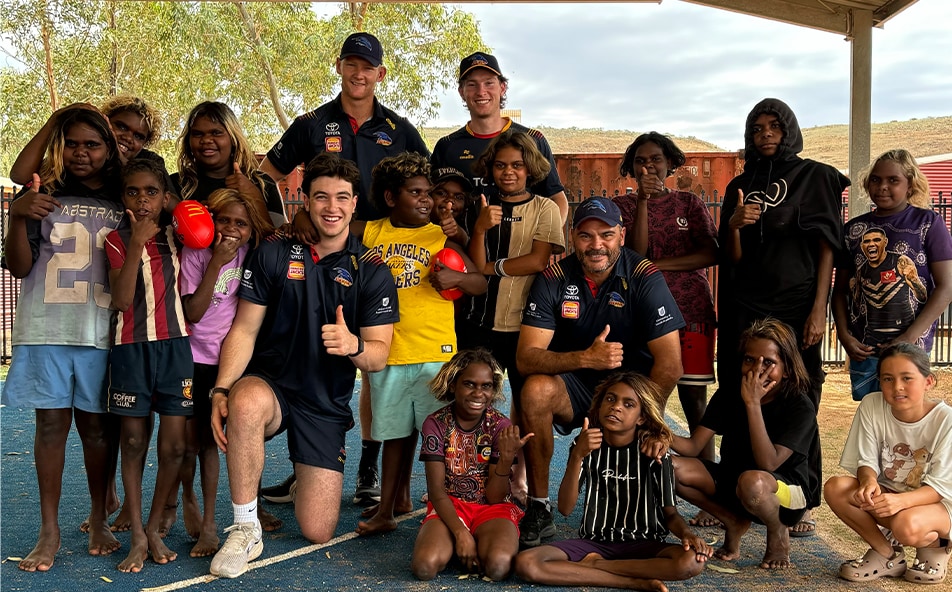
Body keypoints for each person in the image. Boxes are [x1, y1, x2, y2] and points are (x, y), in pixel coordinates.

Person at [207, 153, 398, 578]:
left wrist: (352, 345)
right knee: (245, 402)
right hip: (271, 383)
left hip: (323, 400)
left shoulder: (372, 269)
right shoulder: (275, 251)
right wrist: (221, 388)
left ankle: (304, 473)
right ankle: (245, 528)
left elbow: (379, 356)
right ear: (306, 201)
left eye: (342, 197)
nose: (332, 207)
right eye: (322, 196)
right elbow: (244, 330)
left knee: (317, 530)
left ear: (354, 204)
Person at [260, 33, 429, 503]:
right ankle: (306, 468)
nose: (359, 73)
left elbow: (426, 186)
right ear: (338, 66)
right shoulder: (311, 123)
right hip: (321, 252)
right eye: (351, 63)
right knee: (312, 354)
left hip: (378, 256)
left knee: (376, 362)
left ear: (380, 74)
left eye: (367, 66)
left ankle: (368, 468)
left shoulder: (399, 129)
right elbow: (264, 175)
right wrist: (287, 218)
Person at [516, 196, 684, 547]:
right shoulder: (554, 277)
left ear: (621, 235)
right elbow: (526, 359)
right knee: (535, 390)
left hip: (629, 393)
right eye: (586, 236)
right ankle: (539, 505)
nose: (596, 245)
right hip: (576, 387)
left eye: (606, 234)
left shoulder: (644, 276)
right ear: (572, 237)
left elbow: (671, 364)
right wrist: (586, 358)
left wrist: (649, 420)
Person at [718, 97, 849, 537]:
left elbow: (828, 247)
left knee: (800, 394)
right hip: (746, 306)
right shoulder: (741, 184)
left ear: (789, 129)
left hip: (796, 305)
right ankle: (735, 493)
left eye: (774, 126)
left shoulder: (815, 177)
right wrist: (734, 225)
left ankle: (800, 498)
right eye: (757, 128)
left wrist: (818, 309)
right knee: (741, 389)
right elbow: (731, 259)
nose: (766, 134)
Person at [1, 107, 124, 571]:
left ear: (109, 149)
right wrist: (16, 217)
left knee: (97, 429)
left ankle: (99, 517)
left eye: (92, 144)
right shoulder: (42, 190)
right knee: (51, 426)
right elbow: (19, 267)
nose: (80, 152)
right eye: (72, 143)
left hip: (101, 330)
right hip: (46, 328)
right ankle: (48, 529)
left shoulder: (122, 194)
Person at [354, 152, 487, 537]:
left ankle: (447, 507)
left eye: (429, 192)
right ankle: (390, 506)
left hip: (435, 354)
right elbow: (329, 224)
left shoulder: (439, 235)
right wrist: (299, 220)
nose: (427, 200)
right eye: (416, 193)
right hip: (390, 353)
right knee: (395, 435)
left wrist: (456, 280)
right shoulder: (372, 232)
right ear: (390, 197)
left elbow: (480, 282)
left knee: (438, 436)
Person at [515, 372, 712, 590]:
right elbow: (565, 508)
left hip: (645, 546)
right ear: (600, 406)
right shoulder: (585, 445)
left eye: (628, 404)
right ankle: (631, 581)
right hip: (595, 543)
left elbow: (671, 514)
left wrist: (687, 534)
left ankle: (597, 566)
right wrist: (578, 456)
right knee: (526, 562)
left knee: (691, 562)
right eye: (610, 399)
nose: (616, 407)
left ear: (641, 417)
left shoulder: (655, 452)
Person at [670, 319, 820, 570]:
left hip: (786, 496)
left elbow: (768, 463)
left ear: (787, 369)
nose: (757, 369)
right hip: (736, 483)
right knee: (667, 468)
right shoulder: (730, 393)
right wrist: (659, 433)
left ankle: (778, 531)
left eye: (768, 362)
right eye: (749, 359)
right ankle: (732, 520)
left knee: (753, 482)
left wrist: (753, 403)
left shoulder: (799, 406)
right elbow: (694, 447)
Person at [104, 158, 194, 572]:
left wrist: (171, 211)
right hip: (131, 349)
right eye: (133, 192)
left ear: (165, 198)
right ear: (122, 198)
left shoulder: (180, 236)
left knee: (175, 444)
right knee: (134, 440)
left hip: (175, 348)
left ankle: (156, 526)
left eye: (151, 192)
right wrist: (137, 242)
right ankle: (138, 534)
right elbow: (121, 300)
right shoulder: (115, 239)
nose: (142, 200)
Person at [178, 188, 275, 557]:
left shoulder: (252, 256)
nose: (232, 229)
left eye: (241, 223)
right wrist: (217, 261)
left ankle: (210, 525)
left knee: (212, 443)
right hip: (191, 356)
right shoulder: (196, 253)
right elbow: (194, 312)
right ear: (211, 220)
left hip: (226, 363)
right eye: (224, 220)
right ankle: (186, 498)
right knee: (186, 443)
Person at [614, 132, 718, 463]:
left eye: (655, 159)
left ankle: (707, 474)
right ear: (632, 167)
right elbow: (634, 255)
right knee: (641, 396)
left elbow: (711, 252)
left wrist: (657, 266)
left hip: (691, 310)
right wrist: (643, 202)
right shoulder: (622, 207)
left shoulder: (689, 203)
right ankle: (637, 470)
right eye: (640, 161)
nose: (648, 167)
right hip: (643, 315)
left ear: (669, 162)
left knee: (694, 398)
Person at [825, 342, 952, 584]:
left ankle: (937, 545)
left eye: (907, 378)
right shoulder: (872, 405)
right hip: (892, 495)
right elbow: (866, 459)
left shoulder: (946, 420)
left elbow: (941, 488)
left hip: (937, 505)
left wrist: (900, 502)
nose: (897, 387)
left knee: (905, 524)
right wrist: (868, 482)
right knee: (836, 488)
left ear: (929, 381)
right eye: (888, 379)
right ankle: (887, 555)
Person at [832, 149, 952, 400]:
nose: (882, 187)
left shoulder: (928, 223)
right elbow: (840, 290)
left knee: (905, 408)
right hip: (864, 347)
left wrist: (909, 336)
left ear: (910, 185)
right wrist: (843, 334)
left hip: (911, 346)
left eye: (893, 180)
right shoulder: (853, 230)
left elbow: (946, 287)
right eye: (876, 179)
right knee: (871, 409)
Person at [411, 348, 530, 581]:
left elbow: (495, 497)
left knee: (498, 568)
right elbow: (436, 492)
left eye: (486, 386)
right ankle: (459, 543)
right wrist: (460, 533)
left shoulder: (500, 426)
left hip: (493, 508)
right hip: (451, 505)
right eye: (469, 384)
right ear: (453, 385)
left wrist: (506, 460)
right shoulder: (435, 424)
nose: (478, 393)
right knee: (424, 567)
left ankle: (479, 542)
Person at [431, 52, 569, 227]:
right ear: (461, 92)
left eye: (489, 83)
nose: (481, 92)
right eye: (472, 84)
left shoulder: (533, 140)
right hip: (462, 243)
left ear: (502, 88)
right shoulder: (447, 146)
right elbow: (430, 200)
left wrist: (548, 237)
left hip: (522, 243)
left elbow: (556, 198)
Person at [173, 101, 287, 227]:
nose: (206, 140)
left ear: (233, 139)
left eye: (216, 133)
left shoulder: (263, 183)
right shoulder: (175, 185)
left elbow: (277, 236)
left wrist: (254, 196)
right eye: (197, 134)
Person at [9, 96, 167, 183]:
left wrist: (114, 148)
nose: (128, 137)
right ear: (104, 121)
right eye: (121, 127)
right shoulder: (77, 158)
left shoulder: (150, 162)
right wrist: (55, 119)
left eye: (138, 136)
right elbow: (19, 176)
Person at [429, 166, 472, 247]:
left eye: (459, 197)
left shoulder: (469, 227)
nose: (450, 200)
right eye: (441, 193)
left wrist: (458, 233)